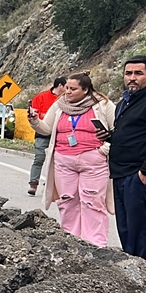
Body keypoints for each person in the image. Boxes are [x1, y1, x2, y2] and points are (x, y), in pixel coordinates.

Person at [28, 73, 116, 246]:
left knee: (92, 202)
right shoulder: (59, 105)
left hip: (94, 161)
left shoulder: (104, 105)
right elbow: (46, 128)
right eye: (67, 87)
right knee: (67, 200)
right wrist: (34, 121)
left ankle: (95, 243)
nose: (67, 92)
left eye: (73, 89)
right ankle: (71, 240)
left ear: (86, 89)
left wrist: (104, 150)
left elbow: (117, 131)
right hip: (63, 161)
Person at [97, 55, 146, 260]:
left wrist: (145, 171)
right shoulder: (125, 102)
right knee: (125, 227)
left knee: (138, 228)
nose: (132, 78)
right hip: (120, 172)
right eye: (128, 73)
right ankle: (130, 269)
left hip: (138, 174)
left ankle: (142, 274)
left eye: (138, 73)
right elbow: (132, 134)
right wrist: (110, 136)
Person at [28, 77, 65, 195]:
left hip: (58, 134)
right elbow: (33, 113)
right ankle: (33, 184)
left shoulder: (65, 100)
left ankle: (49, 185)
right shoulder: (40, 97)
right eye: (66, 87)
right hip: (42, 133)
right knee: (39, 158)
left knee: (55, 161)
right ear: (60, 86)